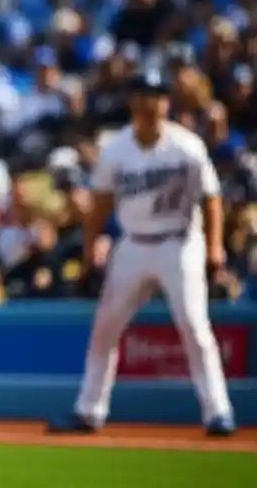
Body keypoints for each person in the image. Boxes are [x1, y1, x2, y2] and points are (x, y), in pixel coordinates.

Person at [48, 70, 235, 437]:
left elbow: (212, 200)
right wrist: (89, 253)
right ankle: (89, 410)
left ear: (167, 102)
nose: (151, 102)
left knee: (194, 326)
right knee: (105, 328)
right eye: (145, 94)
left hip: (179, 242)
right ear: (133, 101)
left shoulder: (187, 146)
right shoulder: (116, 149)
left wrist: (214, 248)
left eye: (158, 94)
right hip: (133, 244)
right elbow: (99, 207)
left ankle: (218, 411)